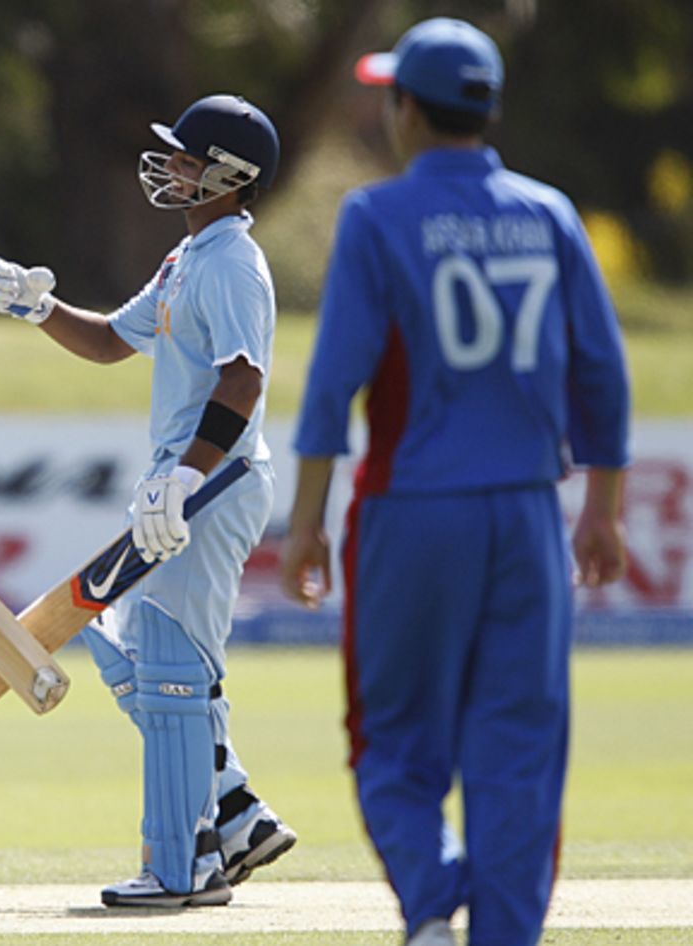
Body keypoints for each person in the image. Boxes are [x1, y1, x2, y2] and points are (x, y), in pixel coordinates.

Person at [280, 18, 630, 946]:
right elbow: (602, 372)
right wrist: (601, 509)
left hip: (412, 513)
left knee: (392, 739)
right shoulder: (548, 212)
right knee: (520, 747)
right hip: (526, 514)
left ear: (404, 112)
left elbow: (332, 388)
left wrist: (307, 523)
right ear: (490, 109)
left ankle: (431, 903)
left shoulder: (376, 216)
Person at [0, 93, 297, 908]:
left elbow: (245, 376)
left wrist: (187, 474)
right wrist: (35, 305)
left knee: (172, 664)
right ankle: (232, 811)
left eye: (188, 157)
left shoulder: (230, 262)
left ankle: (181, 865)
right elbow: (113, 340)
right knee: (122, 643)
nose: (173, 166)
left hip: (208, 482)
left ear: (229, 175)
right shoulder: (187, 258)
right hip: (181, 484)